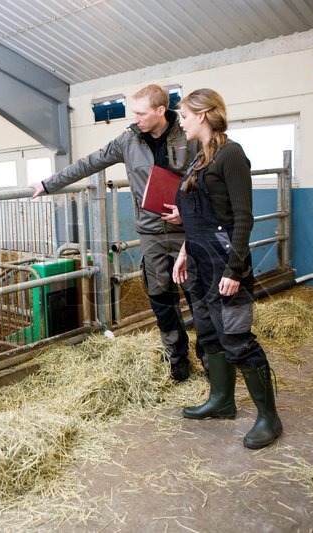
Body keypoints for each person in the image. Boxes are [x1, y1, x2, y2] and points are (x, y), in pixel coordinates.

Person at [29, 84, 203, 382]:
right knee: (161, 299)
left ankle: (211, 360)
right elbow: (89, 162)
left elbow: (208, 178)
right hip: (151, 233)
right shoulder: (128, 140)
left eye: (141, 113)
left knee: (198, 295)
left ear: (161, 111)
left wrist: (190, 210)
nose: (135, 119)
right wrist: (48, 184)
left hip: (187, 233)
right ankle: (177, 358)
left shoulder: (188, 135)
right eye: (134, 112)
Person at [169, 88, 282, 449]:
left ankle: (269, 418)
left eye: (184, 116)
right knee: (209, 333)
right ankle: (221, 401)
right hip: (199, 263)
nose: (181, 123)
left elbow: (243, 218)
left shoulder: (231, 155)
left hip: (225, 262)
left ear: (202, 115)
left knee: (236, 338)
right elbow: (199, 216)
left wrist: (234, 271)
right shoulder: (199, 157)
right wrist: (185, 251)